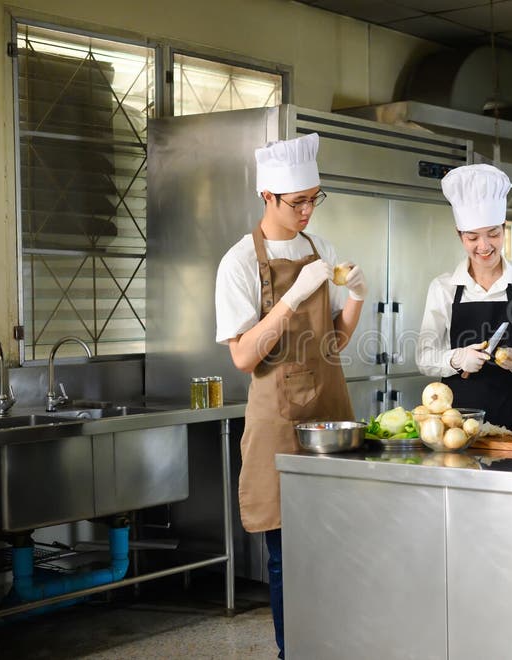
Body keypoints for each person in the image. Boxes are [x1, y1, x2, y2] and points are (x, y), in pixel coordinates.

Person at [214, 133, 367, 657]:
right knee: (286, 556)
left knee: (338, 549)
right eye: (296, 202)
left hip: (330, 416)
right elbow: (242, 357)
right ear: (267, 198)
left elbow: (335, 342)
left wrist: (357, 300)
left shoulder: (319, 250)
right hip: (279, 423)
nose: (307, 211)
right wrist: (290, 300)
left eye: (314, 198)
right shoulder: (237, 263)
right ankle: (291, 651)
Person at [416, 163, 512, 431]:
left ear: (504, 228)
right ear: (459, 235)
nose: (484, 246)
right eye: (472, 237)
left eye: (493, 233)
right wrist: (457, 359)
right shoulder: (443, 287)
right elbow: (424, 356)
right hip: (456, 425)